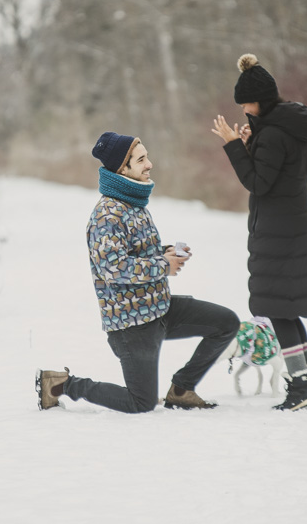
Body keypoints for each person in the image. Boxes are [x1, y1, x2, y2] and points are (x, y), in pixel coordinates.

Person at [36, 132, 240, 413]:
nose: (149, 164)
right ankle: (62, 384)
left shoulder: (133, 204)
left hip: (160, 309)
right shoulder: (108, 215)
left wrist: (167, 252)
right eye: (142, 159)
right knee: (140, 402)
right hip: (131, 325)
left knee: (226, 322)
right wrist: (163, 265)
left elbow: (137, 253)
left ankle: (181, 389)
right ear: (123, 168)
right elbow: (113, 268)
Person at [211, 53, 307, 412]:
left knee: (276, 308)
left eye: (247, 102)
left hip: (277, 229)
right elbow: (275, 174)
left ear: (261, 99)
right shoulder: (290, 126)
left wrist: (234, 145)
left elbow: (258, 183)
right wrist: (252, 143)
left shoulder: (275, 134)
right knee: (285, 307)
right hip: (292, 223)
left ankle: (299, 385)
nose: (245, 110)